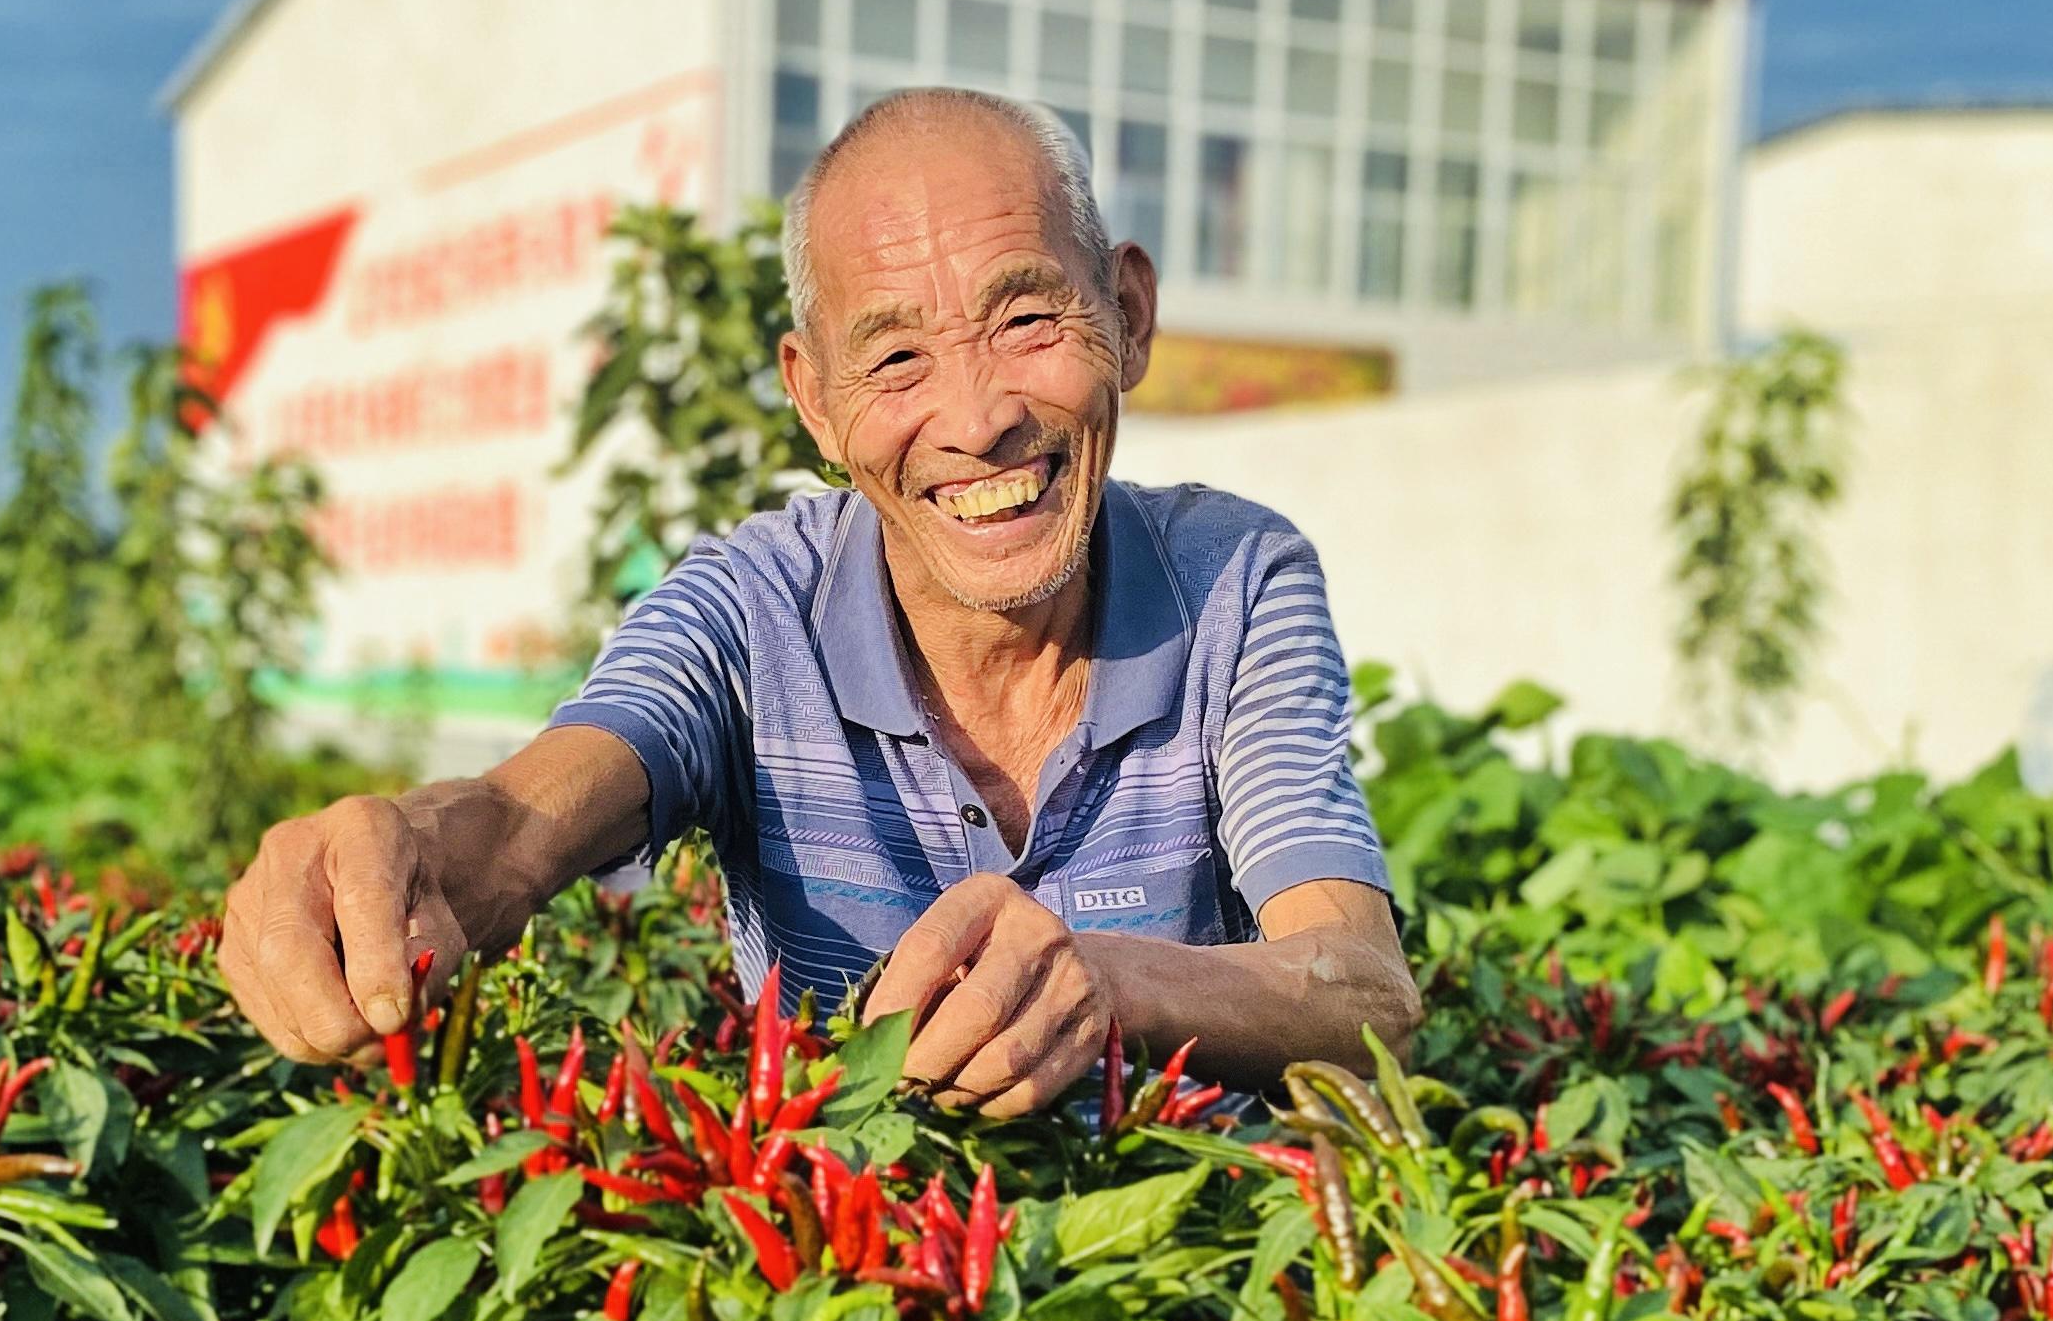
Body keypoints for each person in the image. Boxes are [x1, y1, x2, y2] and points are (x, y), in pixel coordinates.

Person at [215, 84, 1417, 1116]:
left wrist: (1108, 982)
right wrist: (405, 860)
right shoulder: (748, 612)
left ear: (1130, 316)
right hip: (858, 1286)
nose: (977, 417)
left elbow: (1361, 989)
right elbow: (523, 827)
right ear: (818, 402)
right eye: (896, 357)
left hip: (1173, 1281)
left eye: (1027, 318)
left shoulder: (1234, 580)